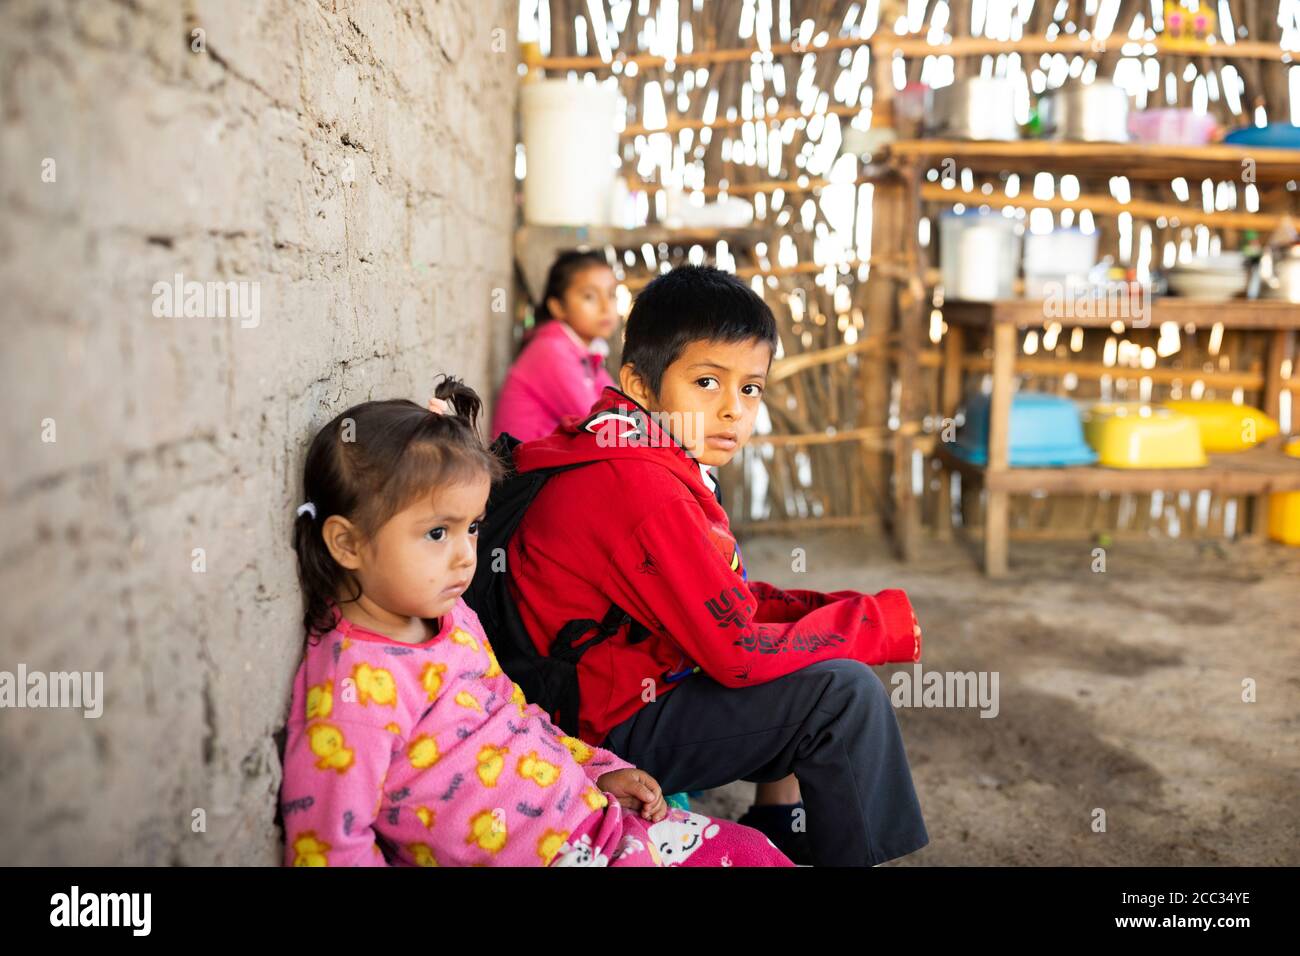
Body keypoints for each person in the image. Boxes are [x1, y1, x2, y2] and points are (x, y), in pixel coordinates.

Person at [502, 266, 930, 866]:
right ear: (641, 384)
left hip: (609, 685)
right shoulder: (642, 487)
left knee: (814, 654)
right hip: (596, 731)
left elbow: (725, 597)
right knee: (843, 694)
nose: (733, 410)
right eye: (707, 382)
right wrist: (871, 626)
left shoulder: (627, 444)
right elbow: (734, 654)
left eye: (751, 388)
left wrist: (830, 611)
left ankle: (781, 825)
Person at [278, 377, 792, 867]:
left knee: (751, 849)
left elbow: (516, 712)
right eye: (437, 533)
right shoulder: (354, 693)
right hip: (559, 855)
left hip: (594, 825)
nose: (464, 557)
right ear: (347, 543)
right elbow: (330, 847)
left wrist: (598, 771)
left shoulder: (451, 616)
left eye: (473, 527)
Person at [491, 251, 618, 442]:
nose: (606, 307)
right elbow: (602, 426)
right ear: (558, 307)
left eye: (611, 295)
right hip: (519, 470)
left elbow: (616, 403)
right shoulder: (551, 351)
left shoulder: (584, 352)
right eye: (590, 297)